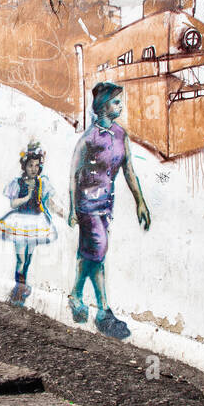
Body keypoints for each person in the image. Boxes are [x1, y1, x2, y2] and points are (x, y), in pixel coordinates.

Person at [67, 81, 151, 340]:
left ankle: (75, 295)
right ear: (103, 106)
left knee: (89, 254)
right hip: (86, 204)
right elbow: (74, 175)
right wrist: (72, 209)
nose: (120, 105)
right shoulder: (89, 138)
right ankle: (104, 310)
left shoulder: (121, 136)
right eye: (116, 101)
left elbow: (129, 171)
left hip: (105, 205)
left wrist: (140, 201)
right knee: (99, 251)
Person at [0, 141, 59, 306]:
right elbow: (13, 204)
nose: (33, 169)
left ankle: (22, 284)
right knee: (20, 257)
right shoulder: (18, 183)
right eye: (30, 165)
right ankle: (19, 287)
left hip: (36, 223)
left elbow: (50, 203)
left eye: (36, 165)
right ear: (24, 166)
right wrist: (27, 198)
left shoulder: (42, 183)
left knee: (28, 257)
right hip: (20, 222)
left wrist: (66, 214)